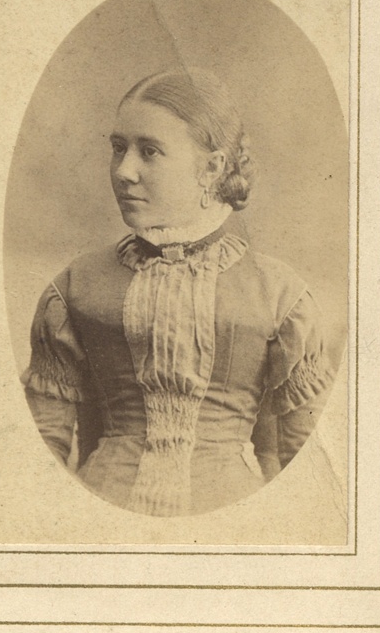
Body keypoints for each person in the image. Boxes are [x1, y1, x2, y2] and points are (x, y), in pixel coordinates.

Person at [21, 68, 335, 517]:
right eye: (118, 149)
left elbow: (307, 465)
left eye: (149, 151)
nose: (124, 171)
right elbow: (37, 458)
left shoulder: (281, 295)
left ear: (211, 169)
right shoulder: (75, 287)